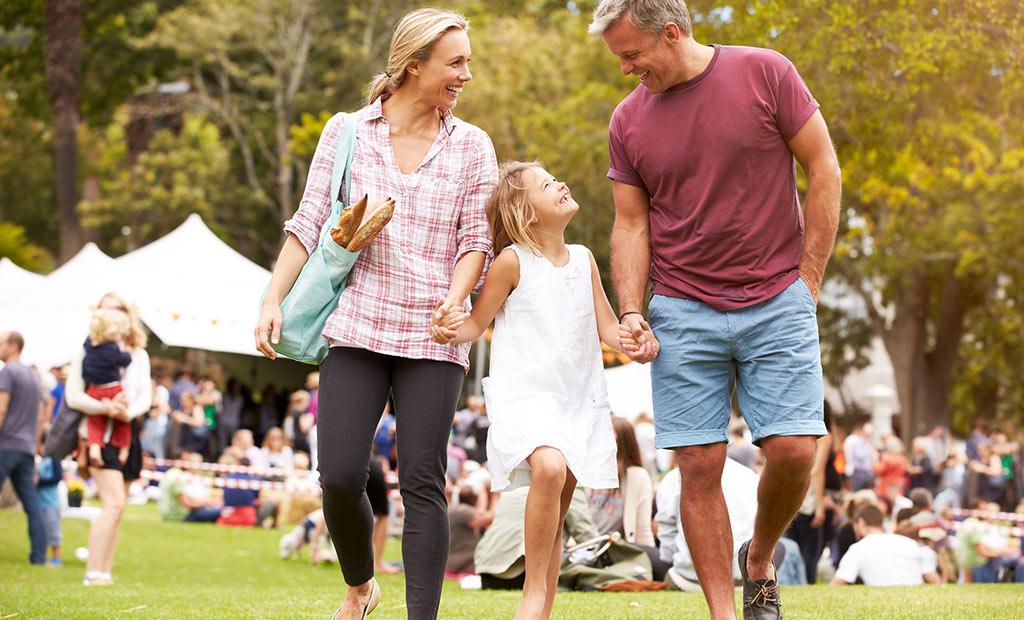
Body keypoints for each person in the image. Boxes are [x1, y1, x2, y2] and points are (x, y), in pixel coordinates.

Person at [590, 0, 841, 617]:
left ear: (671, 34)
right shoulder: (628, 120)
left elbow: (823, 166)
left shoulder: (765, 72)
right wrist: (631, 309)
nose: (625, 69)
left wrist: (808, 278)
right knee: (698, 465)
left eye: (632, 54)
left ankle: (759, 556)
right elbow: (630, 225)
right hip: (681, 308)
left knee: (793, 450)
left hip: (777, 295)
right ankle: (726, 613)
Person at [253, 9, 498, 618]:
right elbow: (308, 223)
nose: (466, 74)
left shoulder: (472, 145)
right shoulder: (347, 131)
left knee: (422, 482)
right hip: (358, 322)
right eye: (456, 63)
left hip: (434, 334)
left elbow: (477, 240)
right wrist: (270, 299)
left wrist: (456, 297)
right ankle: (361, 585)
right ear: (414, 65)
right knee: (337, 475)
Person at [431, 161, 656, 619]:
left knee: (557, 512)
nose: (561, 183)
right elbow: (477, 323)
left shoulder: (584, 259)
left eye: (557, 177)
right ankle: (532, 597)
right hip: (527, 392)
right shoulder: (512, 261)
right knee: (549, 469)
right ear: (524, 212)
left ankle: (539, 611)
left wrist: (634, 340)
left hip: (577, 396)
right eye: (547, 184)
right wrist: (449, 328)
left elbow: (609, 329)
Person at [64, 292, 152, 585]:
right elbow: (74, 396)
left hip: (128, 432)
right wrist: (105, 407)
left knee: (119, 507)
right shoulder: (87, 350)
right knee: (112, 503)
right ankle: (93, 571)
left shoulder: (138, 355)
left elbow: (144, 397)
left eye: (115, 309)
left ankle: (104, 571)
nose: (109, 314)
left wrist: (128, 413)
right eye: (103, 309)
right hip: (98, 433)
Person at [588, 416, 664, 578]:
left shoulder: (637, 477)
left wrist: (648, 560)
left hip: (619, 550)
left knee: (661, 563)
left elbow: (642, 529)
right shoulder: (588, 474)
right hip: (586, 548)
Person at [0, 331, 47, 564]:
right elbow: (40, 416)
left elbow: (1, 407)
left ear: (14, 345)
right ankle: (38, 556)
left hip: (6, 444)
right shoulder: (33, 375)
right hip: (27, 447)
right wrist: (36, 443)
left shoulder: (8, 372)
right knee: (32, 503)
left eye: (1, 344)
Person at [830, 505, 941, 586]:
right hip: (917, 599)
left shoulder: (859, 548)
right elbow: (932, 578)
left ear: (861, 522)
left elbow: (838, 582)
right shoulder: (908, 543)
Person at [81, 308, 135, 466]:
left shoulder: (89, 345)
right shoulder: (112, 348)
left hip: (94, 390)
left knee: (95, 422)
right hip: (113, 388)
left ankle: (95, 448)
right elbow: (125, 360)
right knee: (122, 421)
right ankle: (124, 450)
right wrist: (127, 353)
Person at [36, 454, 64, 566]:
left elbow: (57, 477)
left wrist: (39, 482)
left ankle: (56, 559)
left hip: (51, 503)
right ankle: (43, 557)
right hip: (39, 502)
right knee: (41, 531)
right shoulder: (40, 460)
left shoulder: (54, 459)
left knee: (53, 531)